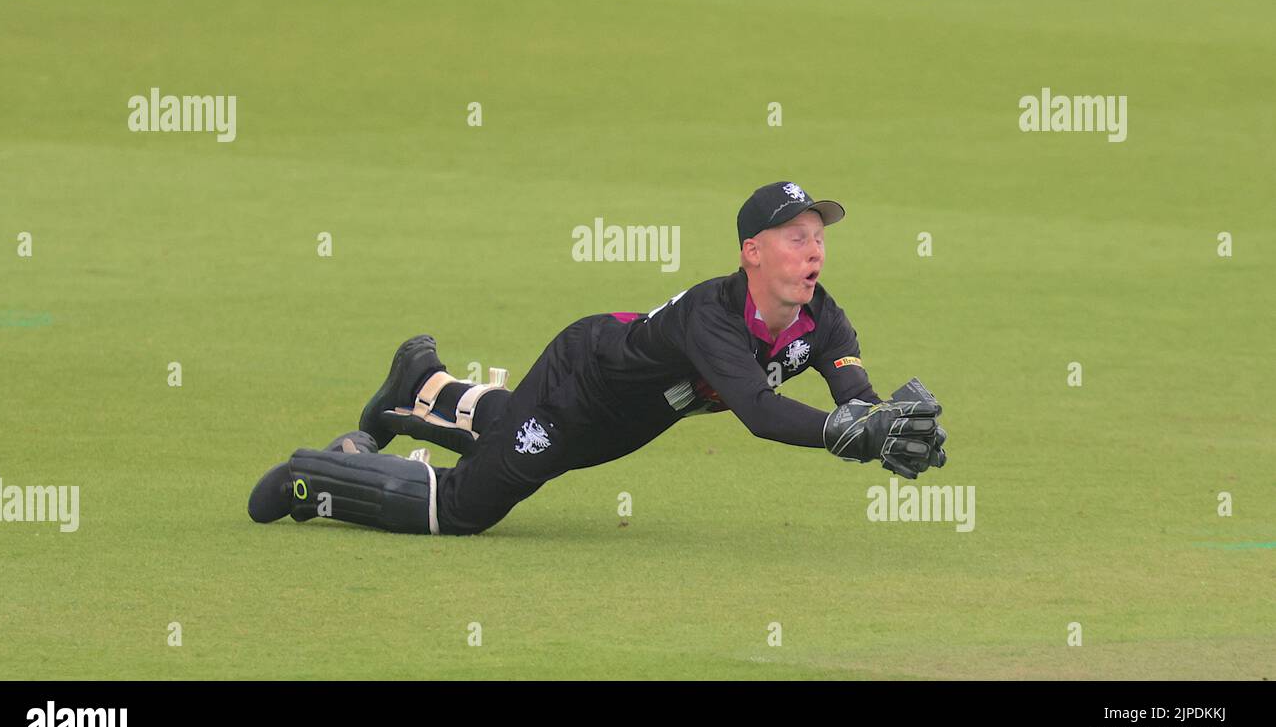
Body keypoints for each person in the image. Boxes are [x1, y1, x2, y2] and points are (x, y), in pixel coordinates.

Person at [248, 181, 948, 535]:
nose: (814, 248)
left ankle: (418, 383)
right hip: (577, 383)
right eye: (795, 236)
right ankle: (318, 477)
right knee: (467, 507)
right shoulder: (715, 317)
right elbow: (761, 414)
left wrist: (879, 425)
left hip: (622, 420)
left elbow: (853, 399)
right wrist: (840, 434)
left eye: (818, 236)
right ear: (752, 251)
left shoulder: (823, 320)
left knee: (508, 438)